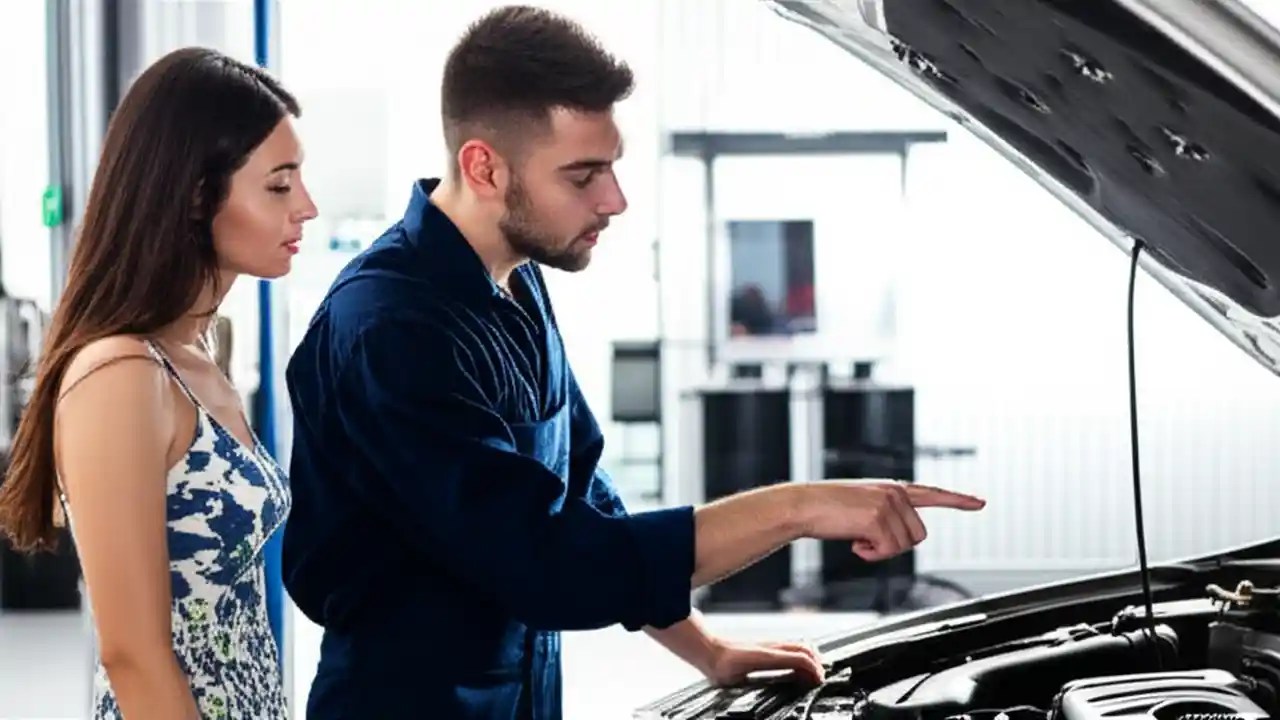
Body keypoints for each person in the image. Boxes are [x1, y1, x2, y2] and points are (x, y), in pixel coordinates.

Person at [282, 6, 985, 719]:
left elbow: (582, 494)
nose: (614, 200)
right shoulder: (389, 326)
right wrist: (797, 508)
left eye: (611, 167)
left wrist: (708, 651)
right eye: (583, 175)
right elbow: (549, 560)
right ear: (484, 167)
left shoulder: (516, 280)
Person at [0, 47, 317, 719]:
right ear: (198, 195)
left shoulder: (195, 354)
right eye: (280, 184)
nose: (308, 208)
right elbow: (133, 655)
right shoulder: (121, 374)